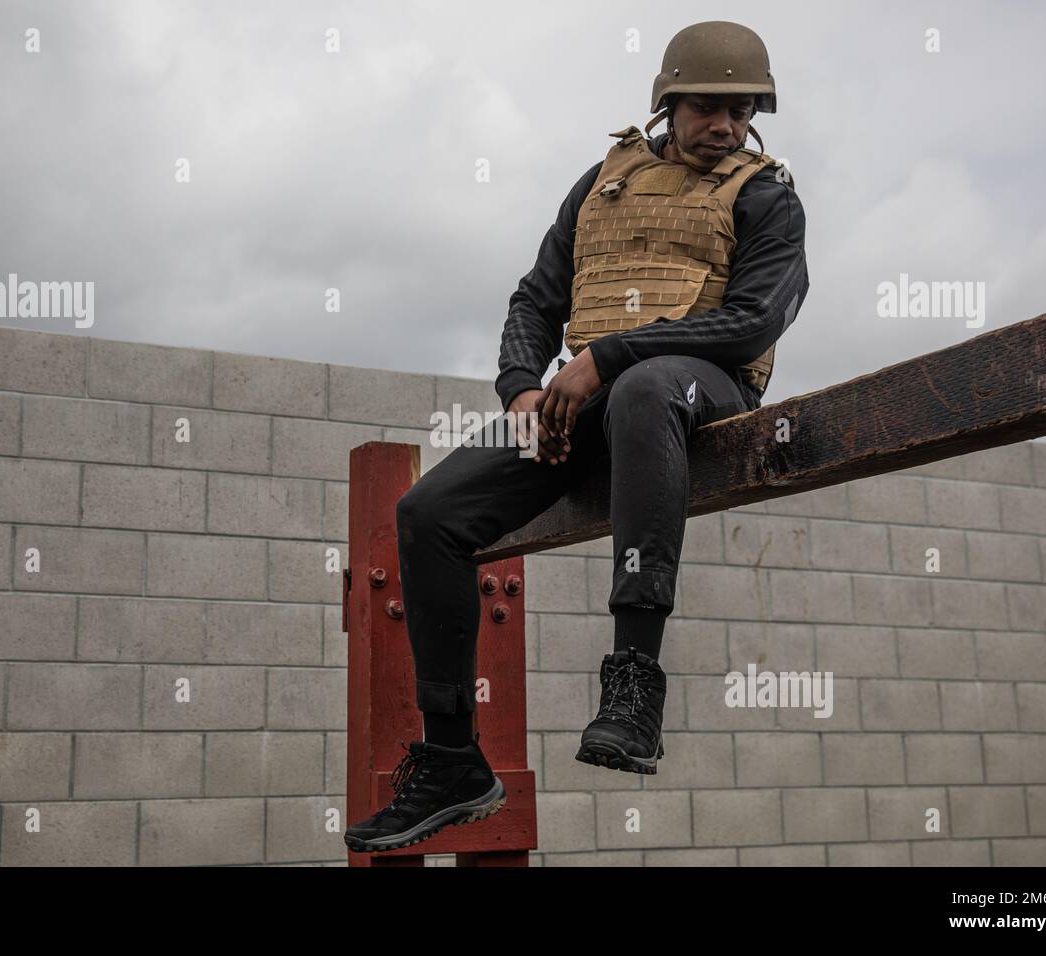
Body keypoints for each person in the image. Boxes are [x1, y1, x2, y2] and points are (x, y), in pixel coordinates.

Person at [344, 20, 809, 854]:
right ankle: (453, 758)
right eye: (709, 108)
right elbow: (534, 300)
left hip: (701, 388)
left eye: (742, 112)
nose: (727, 127)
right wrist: (524, 389)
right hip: (588, 393)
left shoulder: (767, 195)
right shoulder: (604, 183)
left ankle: (633, 687)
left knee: (642, 386)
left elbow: (750, 323)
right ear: (669, 103)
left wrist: (608, 355)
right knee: (428, 515)